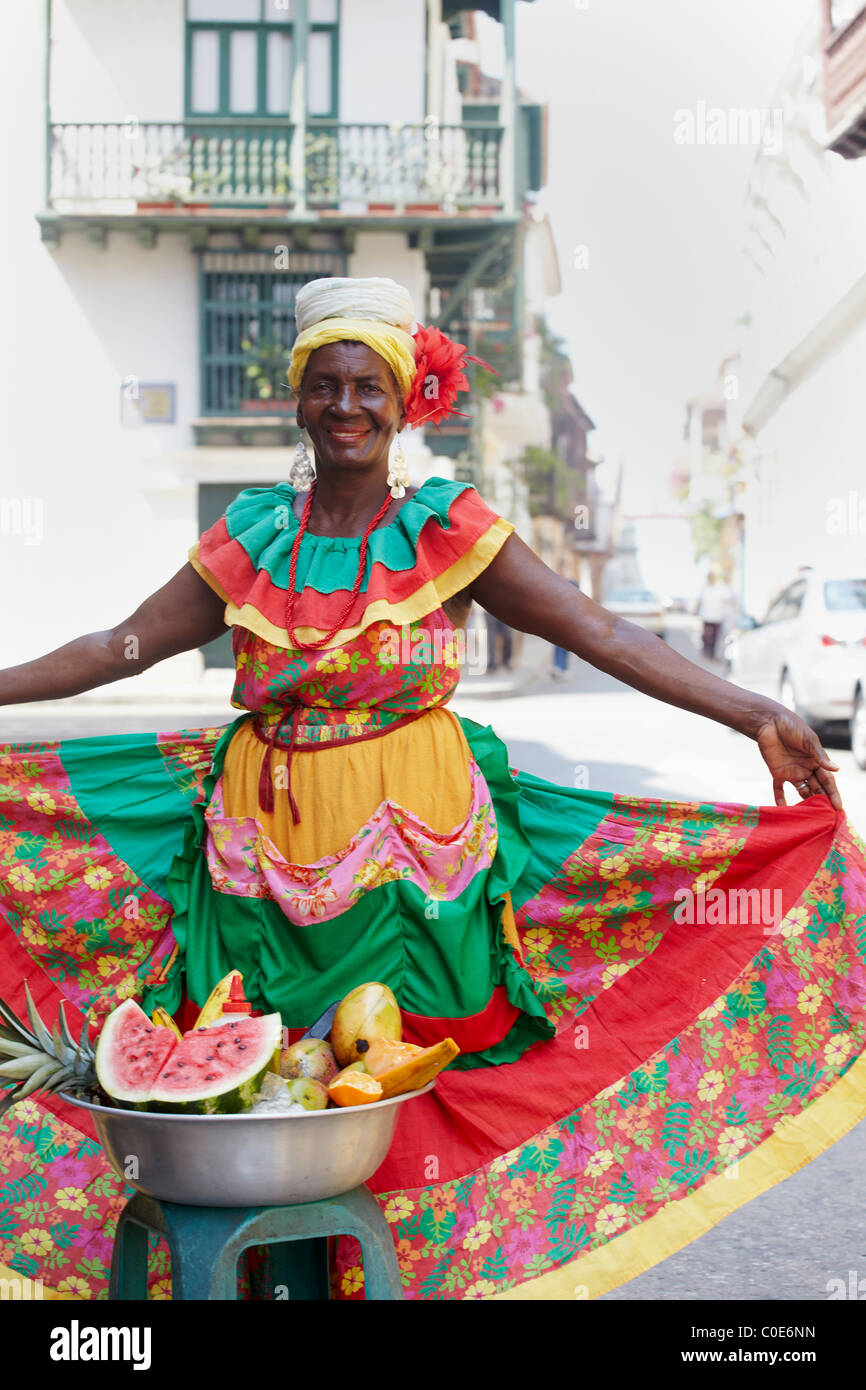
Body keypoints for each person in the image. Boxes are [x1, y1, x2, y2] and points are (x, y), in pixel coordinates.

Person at [0, 276, 862, 1305]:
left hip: (417, 856)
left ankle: (403, 1285)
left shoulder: (447, 530)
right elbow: (119, 644)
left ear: (405, 399)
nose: (347, 405)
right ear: (299, 398)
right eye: (326, 384)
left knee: (400, 1078)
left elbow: (601, 631)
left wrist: (748, 711)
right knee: (258, 1082)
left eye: (369, 384)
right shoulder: (250, 537)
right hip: (252, 860)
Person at [698, 570, 736, 660]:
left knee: (714, 637)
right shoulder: (705, 588)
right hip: (706, 616)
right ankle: (706, 651)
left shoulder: (720, 588)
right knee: (706, 635)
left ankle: (712, 654)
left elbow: (726, 600)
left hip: (717, 617)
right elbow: (700, 601)